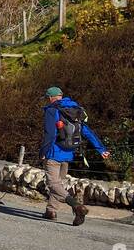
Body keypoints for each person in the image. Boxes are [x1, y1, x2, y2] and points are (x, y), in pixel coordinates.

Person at [41, 86, 109, 226]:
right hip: (68, 153)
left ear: (50, 97)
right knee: (58, 184)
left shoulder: (52, 110)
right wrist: (100, 148)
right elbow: (86, 130)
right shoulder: (75, 109)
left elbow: (50, 134)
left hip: (53, 153)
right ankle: (51, 211)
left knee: (53, 184)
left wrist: (43, 152)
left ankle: (76, 206)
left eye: (47, 98)